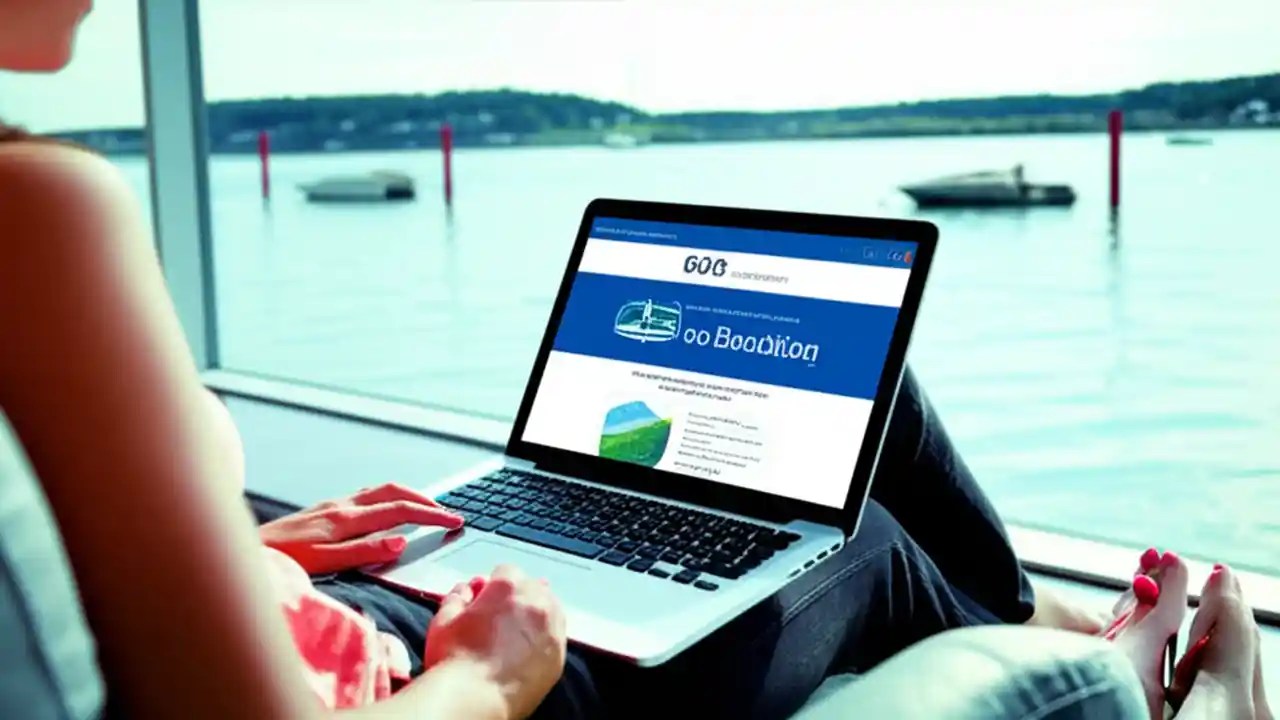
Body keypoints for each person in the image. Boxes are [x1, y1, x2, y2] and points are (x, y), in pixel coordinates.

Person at [0, 3, 1271, 719]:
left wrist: (251, 555)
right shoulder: (39, 210)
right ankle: (1137, 690)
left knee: (855, 393)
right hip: (456, 686)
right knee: (860, 534)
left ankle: (1009, 610)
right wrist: (495, 672)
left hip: (356, 619)